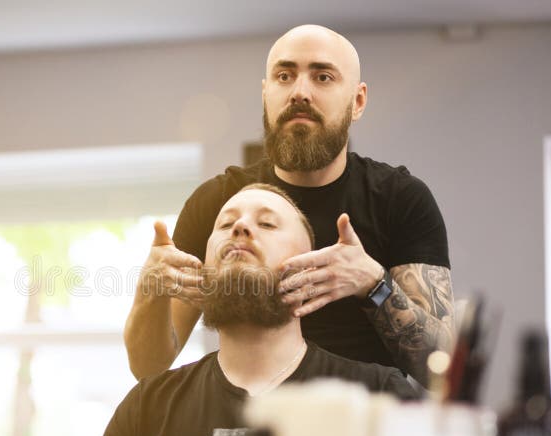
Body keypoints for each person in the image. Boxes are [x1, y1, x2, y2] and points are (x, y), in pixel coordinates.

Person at [124, 24, 454, 385]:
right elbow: (148, 369)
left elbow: (445, 373)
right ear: (266, 93)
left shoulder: (400, 200)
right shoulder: (220, 205)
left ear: (357, 102)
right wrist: (149, 292)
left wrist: (373, 284)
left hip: (364, 413)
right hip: (247, 413)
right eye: (284, 76)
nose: (299, 92)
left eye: (323, 77)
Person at [88, 185, 419, 436]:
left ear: (310, 269)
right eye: (225, 224)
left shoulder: (379, 395)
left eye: (267, 223)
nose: (240, 227)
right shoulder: (146, 407)